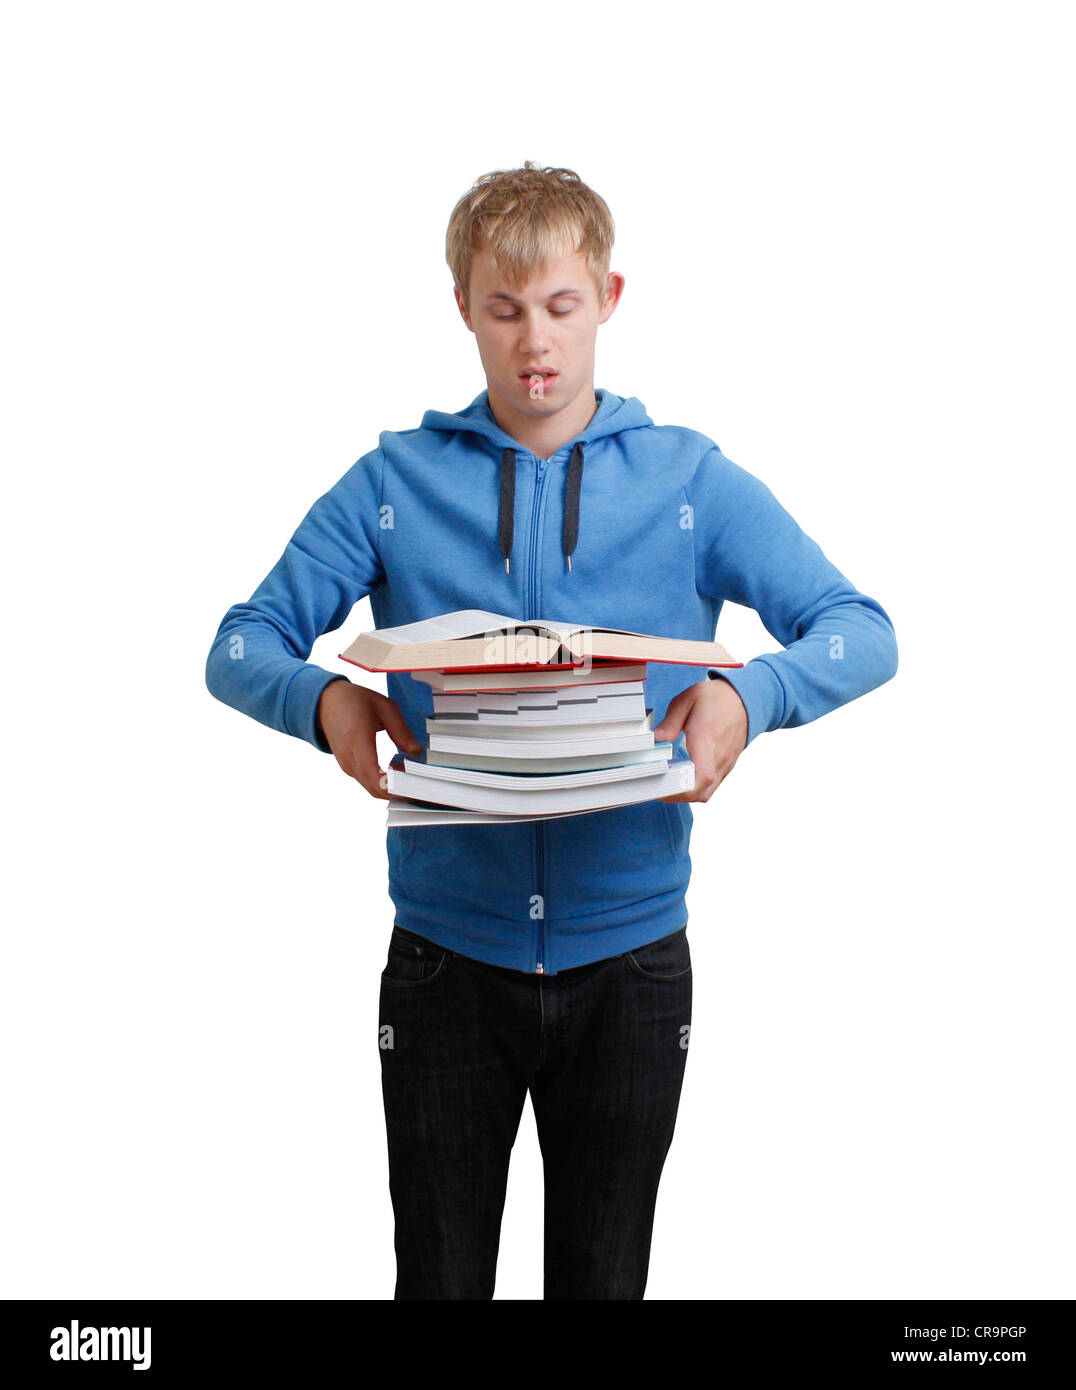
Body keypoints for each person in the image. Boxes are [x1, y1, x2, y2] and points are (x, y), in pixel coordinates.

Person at [205, 160, 898, 1300]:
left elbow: (859, 628)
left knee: (602, 1286)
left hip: (627, 964)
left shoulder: (689, 480)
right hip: (442, 963)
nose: (535, 337)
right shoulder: (391, 481)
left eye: (561, 305)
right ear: (465, 310)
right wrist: (323, 700)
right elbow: (239, 643)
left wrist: (748, 696)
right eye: (503, 306)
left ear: (608, 299)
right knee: (434, 1285)